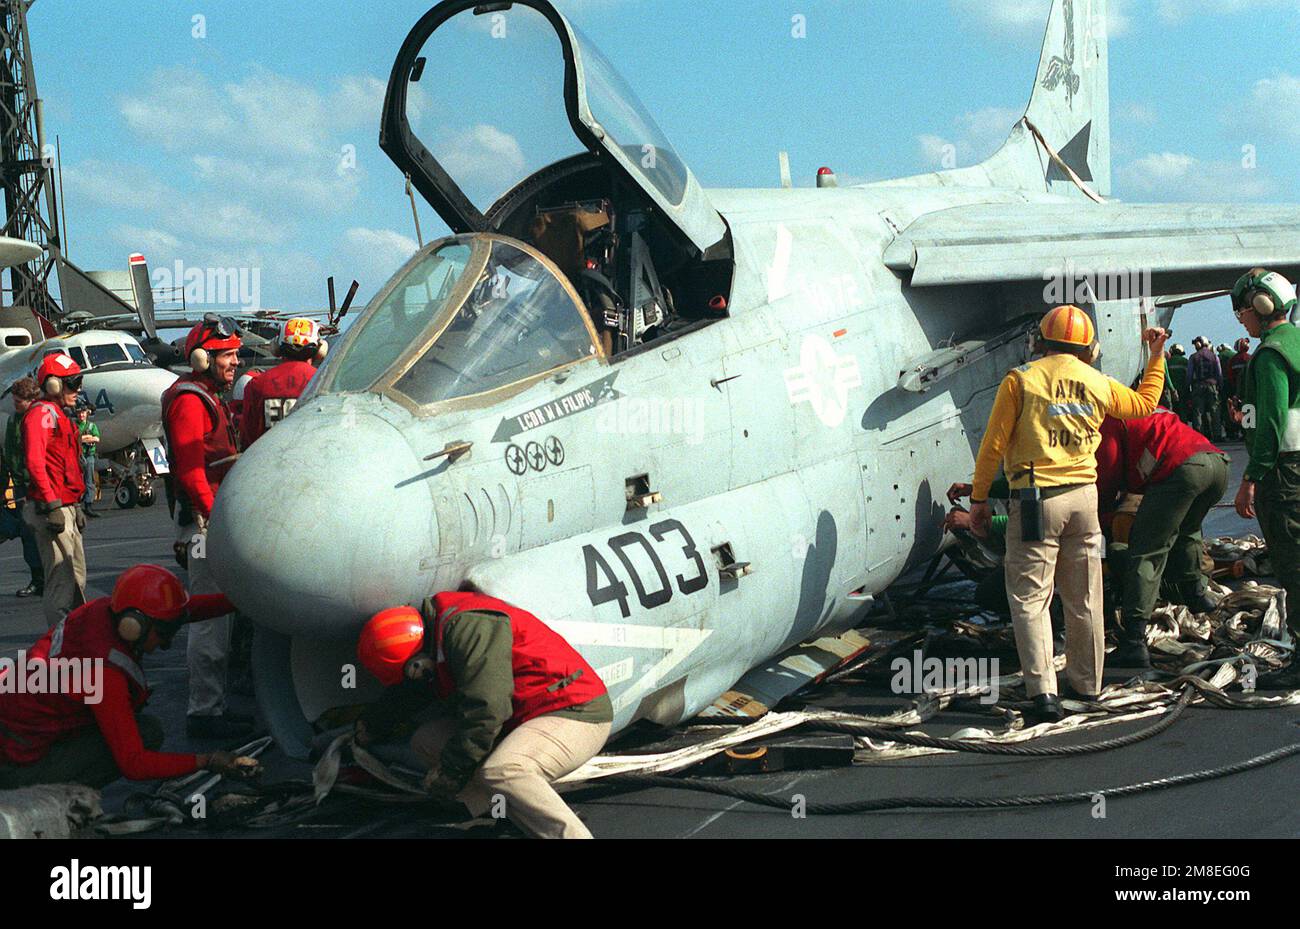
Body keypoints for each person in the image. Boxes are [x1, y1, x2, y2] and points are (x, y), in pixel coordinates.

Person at [968, 306, 1167, 723]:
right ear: (1088, 348)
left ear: (1039, 341)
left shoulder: (1020, 380)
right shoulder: (1097, 381)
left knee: (1031, 599)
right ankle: (1088, 685)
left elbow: (993, 446)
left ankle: (1044, 694)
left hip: (1036, 501)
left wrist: (979, 500)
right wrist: (1156, 356)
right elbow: (1145, 403)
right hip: (1084, 500)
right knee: (1085, 598)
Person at [355, 591, 612, 839]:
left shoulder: (469, 630)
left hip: (573, 710)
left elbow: (488, 710)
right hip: (523, 717)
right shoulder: (437, 638)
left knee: (503, 770)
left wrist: (452, 771)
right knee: (427, 740)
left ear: (417, 664)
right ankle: (515, 814)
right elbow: (413, 692)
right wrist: (372, 725)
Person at [0, 564, 260, 788]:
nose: (167, 643)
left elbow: (183, 612)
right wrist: (207, 761)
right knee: (147, 732)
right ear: (134, 627)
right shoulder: (104, 674)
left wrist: (243, 601)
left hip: (15, 731)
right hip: (17, 764)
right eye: (164, 634)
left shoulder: (103, 611)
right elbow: (135, 764)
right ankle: (53, 800)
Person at [161, 315, 249, 739]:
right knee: (210, 621)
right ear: (202, 358)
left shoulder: (207, 397)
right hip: (204, 523)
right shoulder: (190, 402)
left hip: (210, 517)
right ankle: (204, 713)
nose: (236, 362)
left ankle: (213, 705)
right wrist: (217, 518)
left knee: (220, 619)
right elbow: (192, 471)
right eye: (227, 355)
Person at [1096, 410, 1229, 668]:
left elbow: (1108, 472)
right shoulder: (1142, 407)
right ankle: (1197, 596)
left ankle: (1134, 641)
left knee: (1147, 552)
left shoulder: (1109, 418)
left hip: (1183, 468)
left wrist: (1100, 514)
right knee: (1187, 531)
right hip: (1216, 464)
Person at [1229, 269, 1300, 687]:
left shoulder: (1271, 353)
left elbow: (1272, 420)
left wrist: (1250, 478)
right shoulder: (1296, 342)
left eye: (1242, 310)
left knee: (1293, 562)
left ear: (1261, 304)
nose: (1241, 318)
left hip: (1284, 473)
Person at [22, 353, 87, 628]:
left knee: (76, 577)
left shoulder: (58, 415)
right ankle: (61, 640)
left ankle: (76, 636)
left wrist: (75, 505)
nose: (78, 389)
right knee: (61, 583)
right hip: (52, 508)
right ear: (53, 385)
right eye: (72, 383)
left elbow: (67, 465)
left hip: (65, 504)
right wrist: (52, 505)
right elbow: (35, 462)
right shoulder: (41, 415)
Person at [239, 317, 326, 447]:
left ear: (276, 347)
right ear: (319, 349)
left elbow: (247, 439)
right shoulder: (325, 382)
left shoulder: (256, 384)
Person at [0, 377, 45, 597]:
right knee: (28, 534)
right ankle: (38, 579)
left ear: (31, 399)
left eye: (19, 401)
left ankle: (53, 579)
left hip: (41, 486)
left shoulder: (41, 418)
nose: (15, 405)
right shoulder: (13, 421)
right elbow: (8, 454)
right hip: (22, 487)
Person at [1187, 336, 1225, 441]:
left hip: (1198, 387)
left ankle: (1198, 436)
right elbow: (1219, 373)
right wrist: (1220, 386)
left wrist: (1188, 387)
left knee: (1198, 411)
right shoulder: (1214, 356)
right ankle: (1217, 435)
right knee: (1215, 411)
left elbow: (1189, 375)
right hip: (1212, 386)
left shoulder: (1193, 357)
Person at [75, 402, 101, 518]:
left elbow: (97, 438)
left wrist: (82, 439)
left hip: (89, 455)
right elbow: (74, 438)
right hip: (78, 456)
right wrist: (87, 438)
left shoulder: (91, 426)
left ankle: (88, 505)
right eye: (79, 413)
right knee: (77, 479)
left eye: (83, 413)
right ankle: (77, 504)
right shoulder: (74, 425)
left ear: (87, 414)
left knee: (89, 481)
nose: (81, 415)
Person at [1167, 344, 1189, 422]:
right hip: (1183, 390)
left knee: (1172, 411)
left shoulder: (1168, 362)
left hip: (1171, 391)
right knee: (1183, 410)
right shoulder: (1185, 361)